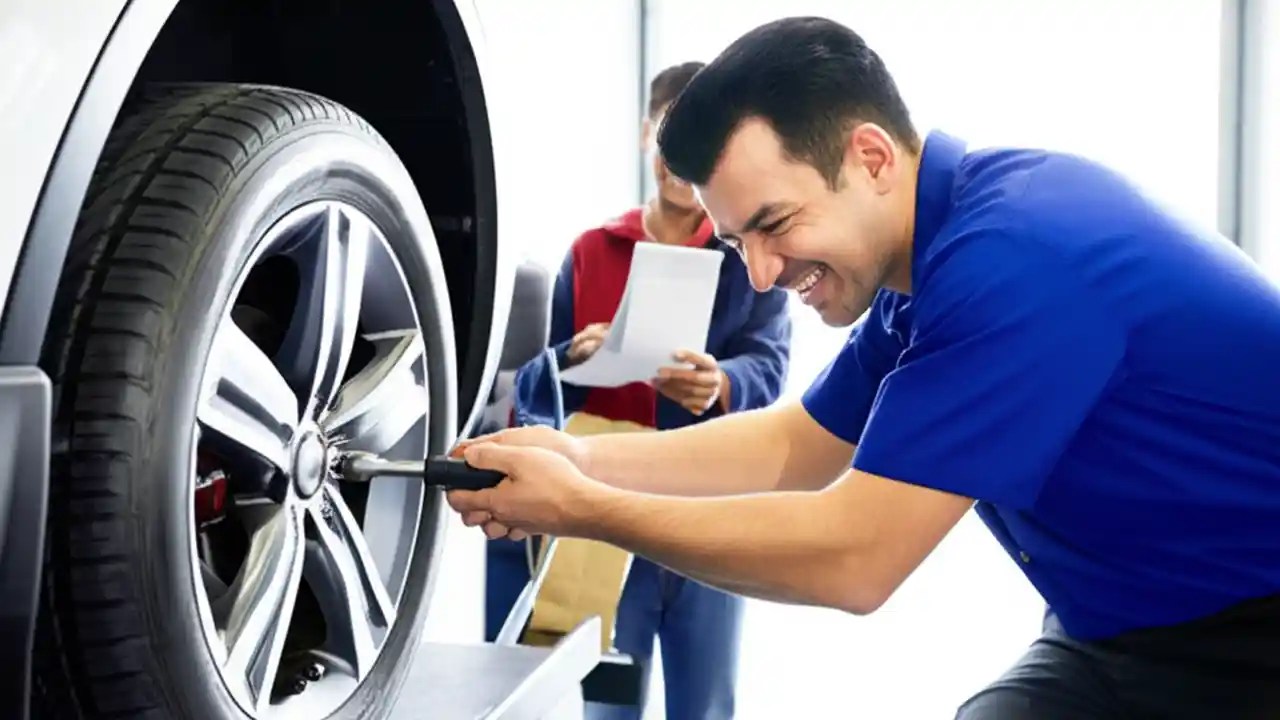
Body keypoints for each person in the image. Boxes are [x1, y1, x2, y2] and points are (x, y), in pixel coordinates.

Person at [453, 16, 1280, 720]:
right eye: (740, 242)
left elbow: (855, 558)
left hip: (1250, 628)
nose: (764, 274)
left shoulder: (1021, 258)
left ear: (872, 158)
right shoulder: (917, 269)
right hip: (1119, 624)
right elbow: (804, 444)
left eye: (776, 223)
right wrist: (583, 456)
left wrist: (587, 509)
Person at [483, 61, 792, 720]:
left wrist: (723, 381)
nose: (678, 159)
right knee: (608, 703)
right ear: (645, 134)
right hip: (608, 521)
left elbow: (770, 368)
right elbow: (534, 381)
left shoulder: (750, 257)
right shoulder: (592, 250)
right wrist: (573, 354)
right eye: (666, 135)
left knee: (706, 704)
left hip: (712, 512)